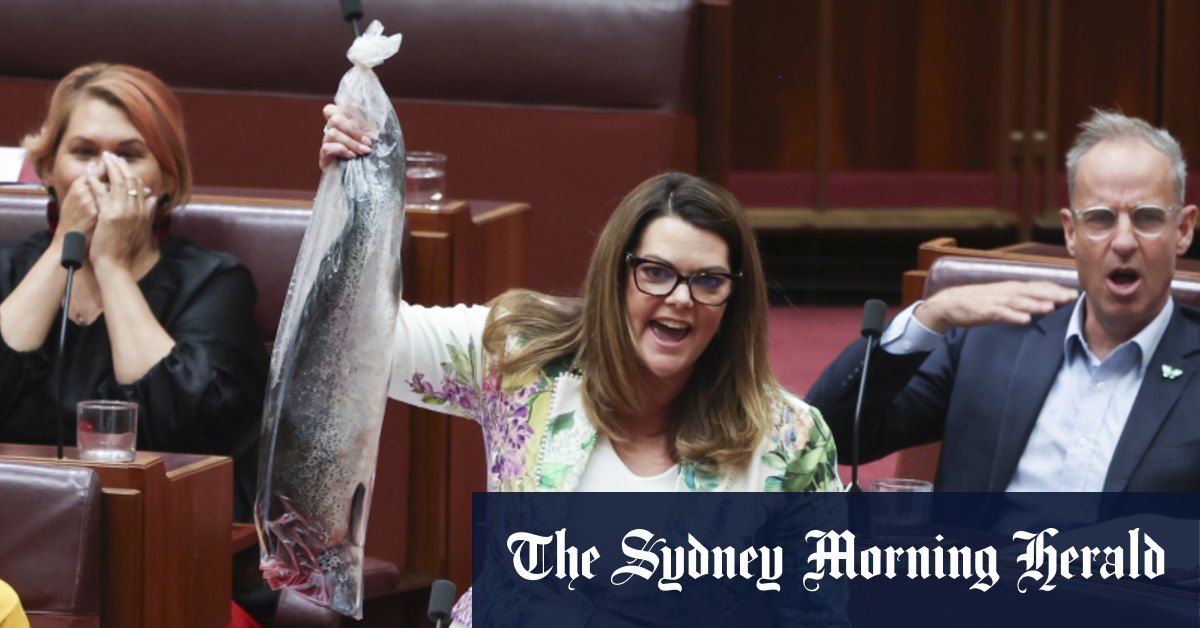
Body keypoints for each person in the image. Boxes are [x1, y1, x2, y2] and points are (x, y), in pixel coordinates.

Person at [322, 108, 844, 626]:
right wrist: (353, 197)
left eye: (708, 281)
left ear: (734, 299)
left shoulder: (786, 440)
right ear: (616, 275)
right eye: (656, 273)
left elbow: (816, 616)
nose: (680, 298)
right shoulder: (524, 354)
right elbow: (354, 339)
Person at [807, 109, 1200, 492]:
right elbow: (832, 434)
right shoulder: (991, 341)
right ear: (1071, 232)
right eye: (1100, 218)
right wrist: (931, 317)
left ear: (1182, 230)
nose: (1125, 241)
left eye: (1147, 218)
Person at [0, 63, 267, 520]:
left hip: (167, 537)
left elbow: (189, 432)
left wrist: (111, 265)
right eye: (84, 152)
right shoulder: (8, 267)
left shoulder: (215, 283)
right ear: (46, 168)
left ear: (167, 179)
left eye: (129, 154)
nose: (105, 172)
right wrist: (67, 243)